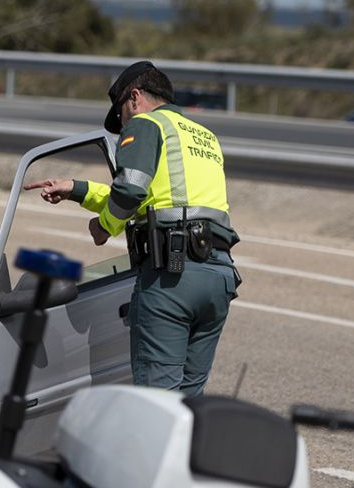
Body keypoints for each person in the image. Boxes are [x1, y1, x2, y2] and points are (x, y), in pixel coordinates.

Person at [25, 61, 239, 396]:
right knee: (189, 406)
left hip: (172, 278)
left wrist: (103, 226)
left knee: (158, 405)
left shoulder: (145, 125)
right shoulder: (203, 136)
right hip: (218, 278)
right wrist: (77, 189)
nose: (123, 124)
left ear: (135, 98)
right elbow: (155, 200)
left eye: (122, 113)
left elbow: (130, 191)